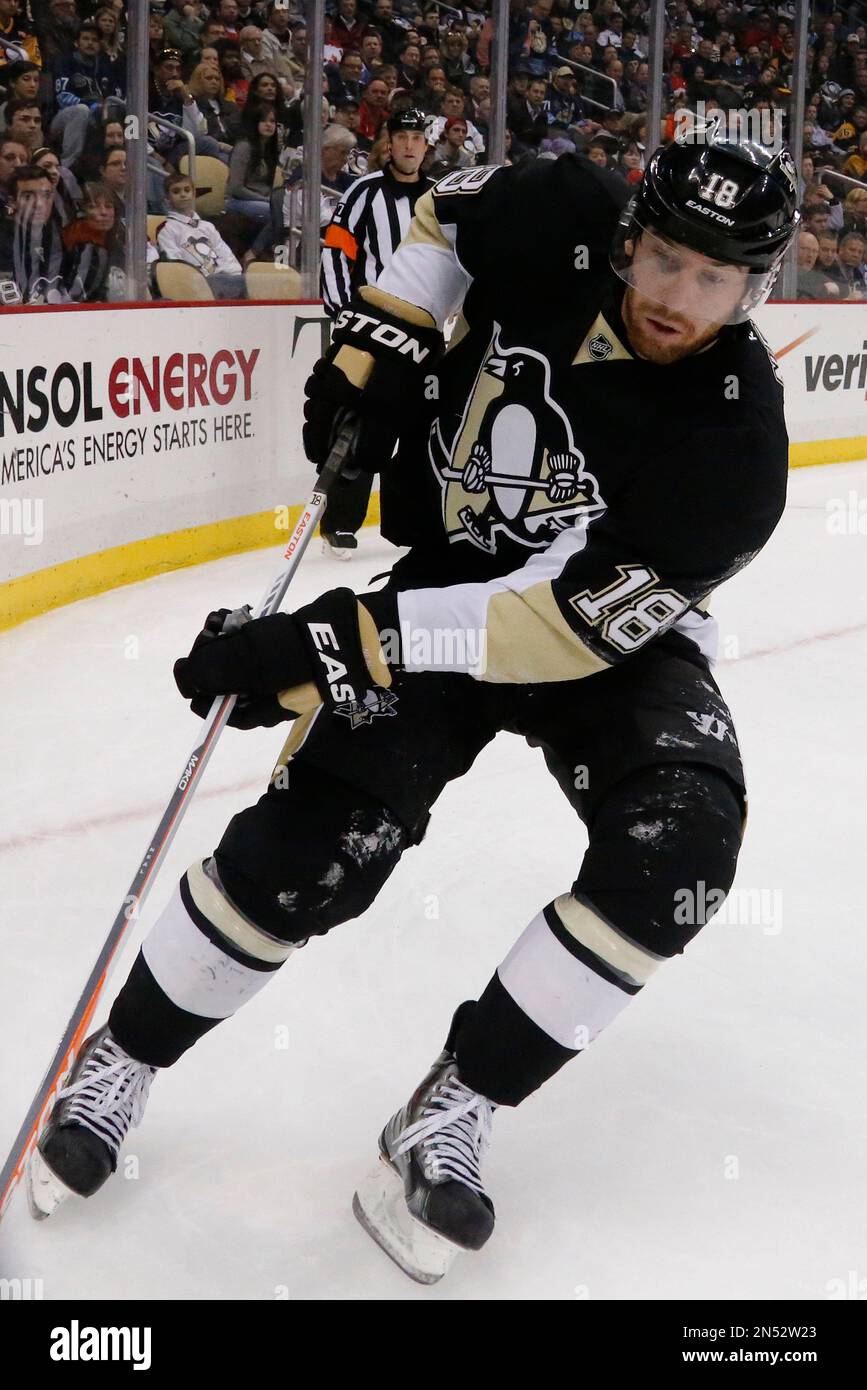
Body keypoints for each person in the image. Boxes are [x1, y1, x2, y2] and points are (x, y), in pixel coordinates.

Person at [31, 134, 799, 1287]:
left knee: (681, 843)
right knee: (316, 852)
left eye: (714, 279)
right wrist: (383, 337)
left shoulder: (735, 448)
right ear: (630, 234)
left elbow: (555, 628)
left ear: (755, 291)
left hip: (598, 642)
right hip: (448, 575)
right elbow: (444, 214)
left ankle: (459, 1099)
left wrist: (341, 645)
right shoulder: (558, 210)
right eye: (662, 260)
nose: (676, 299)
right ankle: (123, 1057)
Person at [319, 107, 433, 559]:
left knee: (421, 426)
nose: (408, 145)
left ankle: (411, 524)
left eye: (416, 138)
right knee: (357, 421)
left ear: (426, 145)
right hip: (371, 323)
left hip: (423, 329)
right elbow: (337, 250)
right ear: (389, 142)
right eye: (401, 136)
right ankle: (340, 523)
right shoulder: (364, 192)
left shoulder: (439, 196)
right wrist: (344, 311)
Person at [156, 170, 245, 299]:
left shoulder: (207, 226)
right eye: (176, 191)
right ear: (167, 199)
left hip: (223, 279)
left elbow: (225, 253)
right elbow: (175, 264)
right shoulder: (167, 229)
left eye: (187, 190)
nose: (183, 195)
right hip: (195, 284)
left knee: (251, 283)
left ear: (194, 194)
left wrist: (234, 275)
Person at [226, 100, 278, 226]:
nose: (268, 125)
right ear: (254, 123)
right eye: (263, 120)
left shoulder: (270, 150)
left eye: (272, 121)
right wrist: (266, 199)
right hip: (237, 201)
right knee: (275, 213)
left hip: (262, 200)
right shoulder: (244, 147)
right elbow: (236, 188)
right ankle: (257, 246)